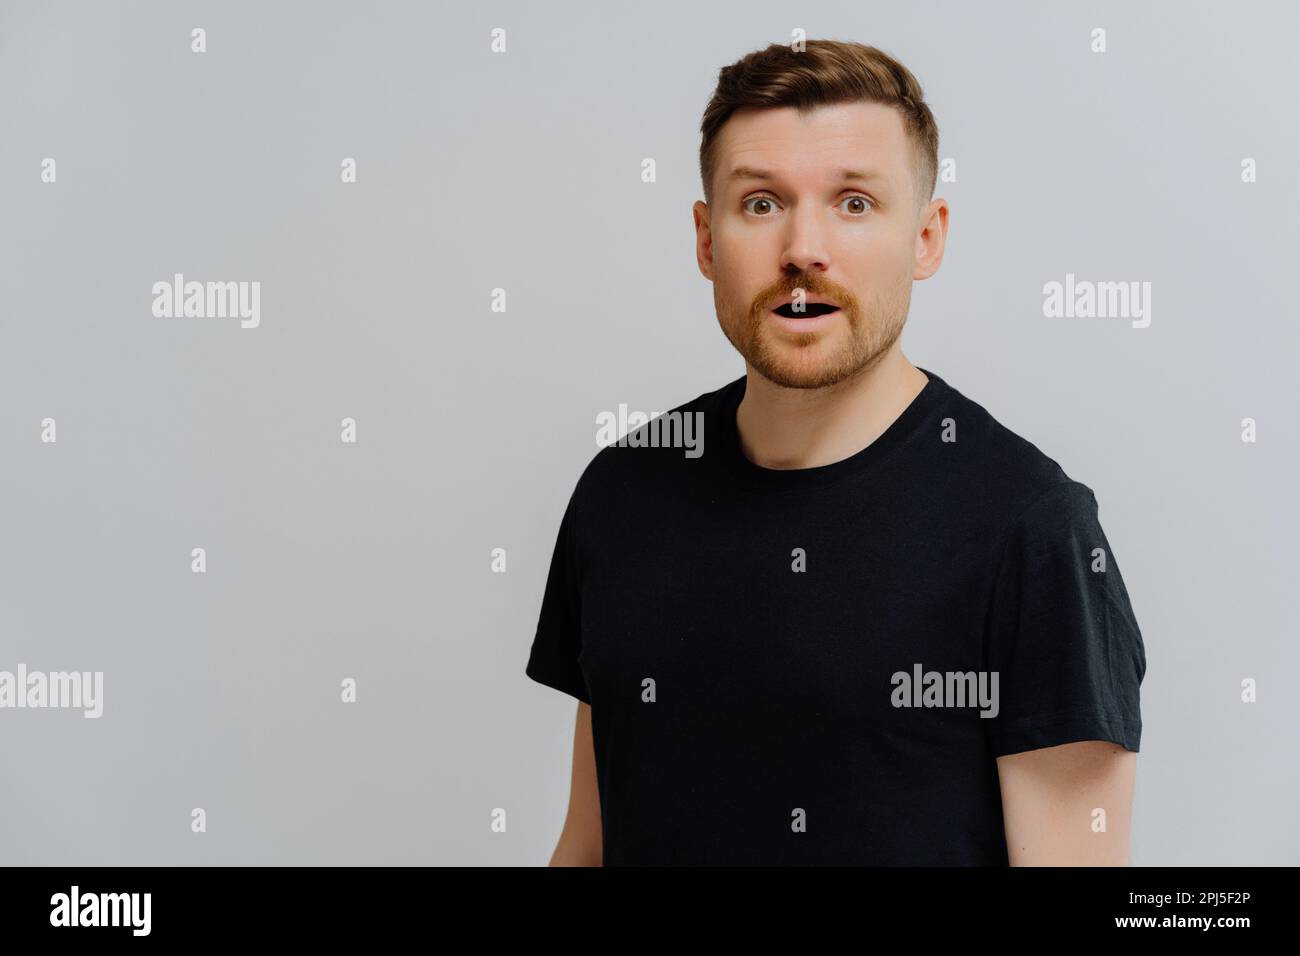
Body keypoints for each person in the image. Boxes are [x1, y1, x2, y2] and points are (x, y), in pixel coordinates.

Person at [526, 39, 1146, 866]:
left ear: (926, 238)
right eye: (760, 203)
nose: (803, 249)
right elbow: (587, 845)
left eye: (855, 203)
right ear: (707, 240)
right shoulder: (622, 493)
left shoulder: (1031, 530)